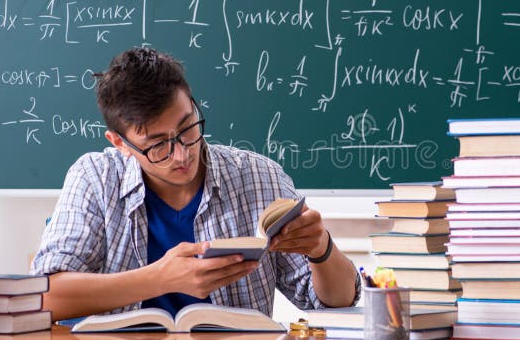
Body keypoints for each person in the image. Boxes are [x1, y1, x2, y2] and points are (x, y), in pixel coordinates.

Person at [31, 47, 361, 321]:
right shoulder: (95, 178)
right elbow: (45, 297)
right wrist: (159, 278)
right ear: (120, 144)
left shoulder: (261, 177)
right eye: (158, 144)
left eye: (187, 127)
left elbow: (335, 302)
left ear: (192, 105)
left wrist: (321, 249)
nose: (181, 154)